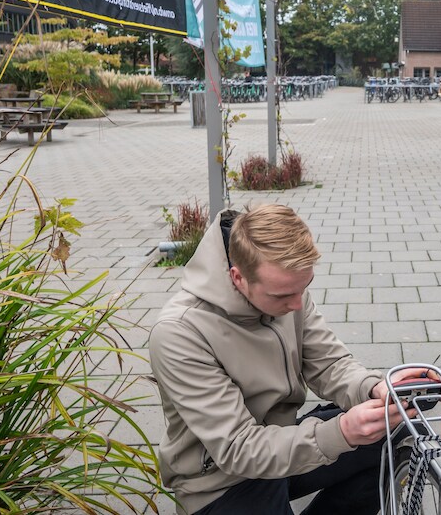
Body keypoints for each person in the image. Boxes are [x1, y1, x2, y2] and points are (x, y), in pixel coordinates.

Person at [150, 204, 425, 515]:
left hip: (285, 443)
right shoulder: (180, 333)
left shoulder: (284, 284)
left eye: (303, 288)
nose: (296, 305)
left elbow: (329, 363)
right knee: (356, 435)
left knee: (398, 433)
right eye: (282, 296)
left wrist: (375, 388)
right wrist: (343, 432)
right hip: (221, 480)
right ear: (238, 278)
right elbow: (237, 448)